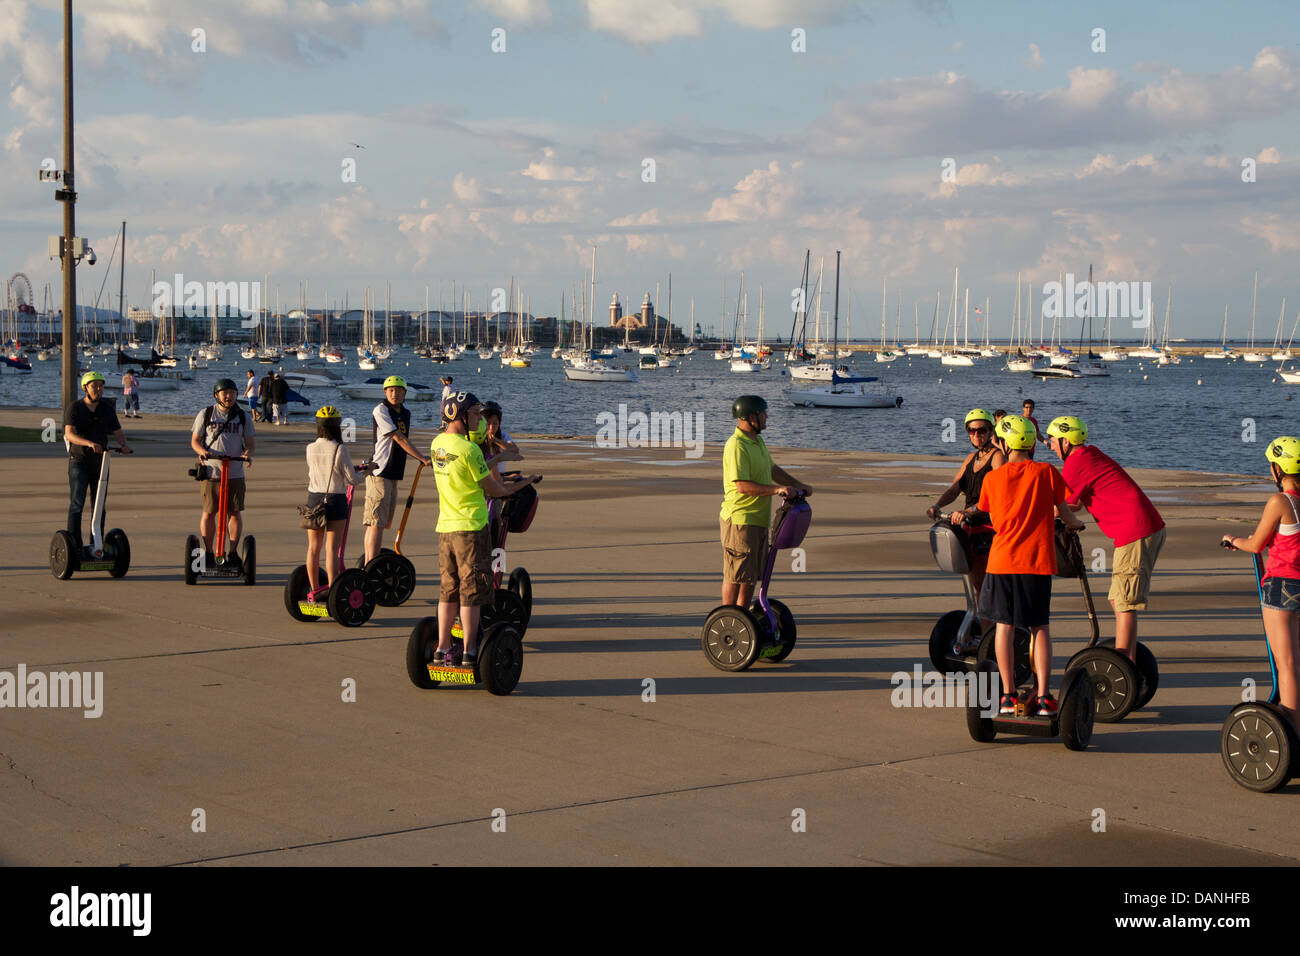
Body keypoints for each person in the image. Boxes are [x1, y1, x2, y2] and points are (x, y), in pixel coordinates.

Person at [977, 414, 1084, 716]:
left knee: (1004, 627)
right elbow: (1066, 513)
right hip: (1036, 562)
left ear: (1006, 443)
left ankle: (1009, 695)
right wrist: (1076, 525)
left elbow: (988, 511)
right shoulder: (1047, 472)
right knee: (1039, 627)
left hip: (1001, 562)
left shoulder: (992, 478)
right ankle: (1043, 696)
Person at [430, 391, 538, 666]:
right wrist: (517, 487)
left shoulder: (437, 445)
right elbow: (491, 487)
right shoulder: (470, 450)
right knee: (472, 593)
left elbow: (468, 472)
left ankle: (442, 648)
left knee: (448, 590)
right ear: (459, 416)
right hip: (471, 528)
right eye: (474, 414)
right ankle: (469, 651)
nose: (479, 418)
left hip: (446, 527)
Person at [1047, 416, 1165, 665]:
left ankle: (1124, 666)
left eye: (1052, 440)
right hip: (1143, 528)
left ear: (1065, 441)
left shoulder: (1076, 462)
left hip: (1135, 531)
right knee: (1118, 599)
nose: (1050, 445)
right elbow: (1075, 503)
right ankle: (1128, 660)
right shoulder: (1088, 455)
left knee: (1124, 603)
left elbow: (1062, 507)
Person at [1222, 436, 1300, 733]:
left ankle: (1293, 732)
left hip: (1281, 585)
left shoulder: (1281, 501)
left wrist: (1233, 540)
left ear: (1278, 469)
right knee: (1296, 660)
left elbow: (1256, 544)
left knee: (1286, 663)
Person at [720, 395, 812, 608]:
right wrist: (777, 489)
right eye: (763, 414)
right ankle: (729, 617)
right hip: (740, 520)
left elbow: (772, 470)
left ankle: (743, 619)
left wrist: (798, 485)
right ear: (751, 417)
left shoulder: (757, 441)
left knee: (750, 576)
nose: (767, 417)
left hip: (758, 519)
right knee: (736, 574)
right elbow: (741, 486)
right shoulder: (736, 446)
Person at [927, 408, 1006, 593]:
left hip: (989, 526)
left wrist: (967, 511)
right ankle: (982, 619)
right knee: (976, 582)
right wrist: (937, 505)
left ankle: (990, 619)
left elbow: (999, 493)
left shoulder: (997, 457)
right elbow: (955, 488)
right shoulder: (971, 458)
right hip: (970, 525)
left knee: (986, 583)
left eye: (982, 430)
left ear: (990, 432)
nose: (976, 434)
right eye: (972, 430)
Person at [304, 406, 375, 596]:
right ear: (337, 426)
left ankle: (314, 588)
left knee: (313, 548)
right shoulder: (340, 448)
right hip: (335, 499)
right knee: (332, 549)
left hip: (313, 499)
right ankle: (333, 589)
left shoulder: (310, 448)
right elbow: (351, 479)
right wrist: (367, 472)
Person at [363, 375, 432, 564]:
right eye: (391, 390)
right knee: (375, 522)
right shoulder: (381, 410)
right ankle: (371, 564)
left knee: (385, 522)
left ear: (405, 393)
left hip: (394, 471)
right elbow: (399, 438)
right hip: (380, 470)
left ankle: (372, 561)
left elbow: (404, 441)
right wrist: (421, 457)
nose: (395, 394)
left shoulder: (406, 413)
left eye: (399, 390)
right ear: (385, 392)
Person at [63, 371, 133, 553]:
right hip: (79, 461)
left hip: (101, 463)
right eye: (94, 386)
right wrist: (89, 443)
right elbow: (69, 434)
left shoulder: (106, 408)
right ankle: (75, 545)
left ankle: (97, 545)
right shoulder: (75, 408)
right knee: (77, 504)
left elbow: (117, 431)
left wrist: (124, 445)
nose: (99, 389)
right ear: (85, 387)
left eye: (101, 386)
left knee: (99, 505)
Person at [190, 378, 255, 566]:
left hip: (234, 472)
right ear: (217, 395)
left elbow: (250, 444)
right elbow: (195, 441)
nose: (229, 396)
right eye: (225, 393)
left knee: (234, 512)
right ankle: (209, 552)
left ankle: (233, 553)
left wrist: (247, 455)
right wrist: (202, 452)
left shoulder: (244, 417)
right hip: (211, 472)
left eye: (233, 393)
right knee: (209, 512)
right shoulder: (206, 414)